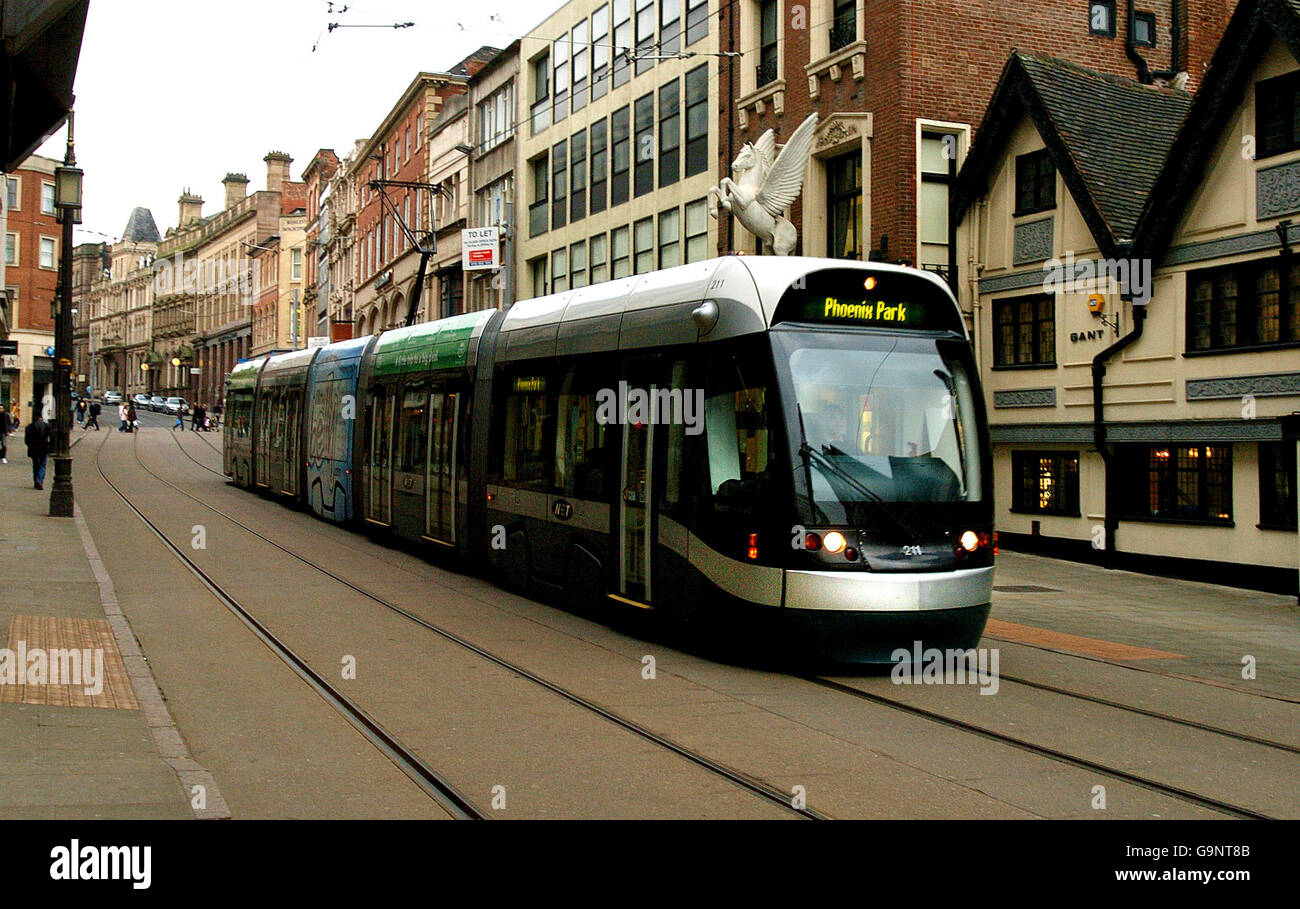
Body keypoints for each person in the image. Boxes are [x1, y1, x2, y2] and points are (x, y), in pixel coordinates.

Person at [24, 411, 51, 490]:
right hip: (43, 448)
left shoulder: (29, 427)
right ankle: (40, 480)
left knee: (36, 465)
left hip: (33, 448)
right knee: (42, 465)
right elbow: (51, 436)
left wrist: (30, 445)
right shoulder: (46, 426)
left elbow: (26, 440)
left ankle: (36, 480)